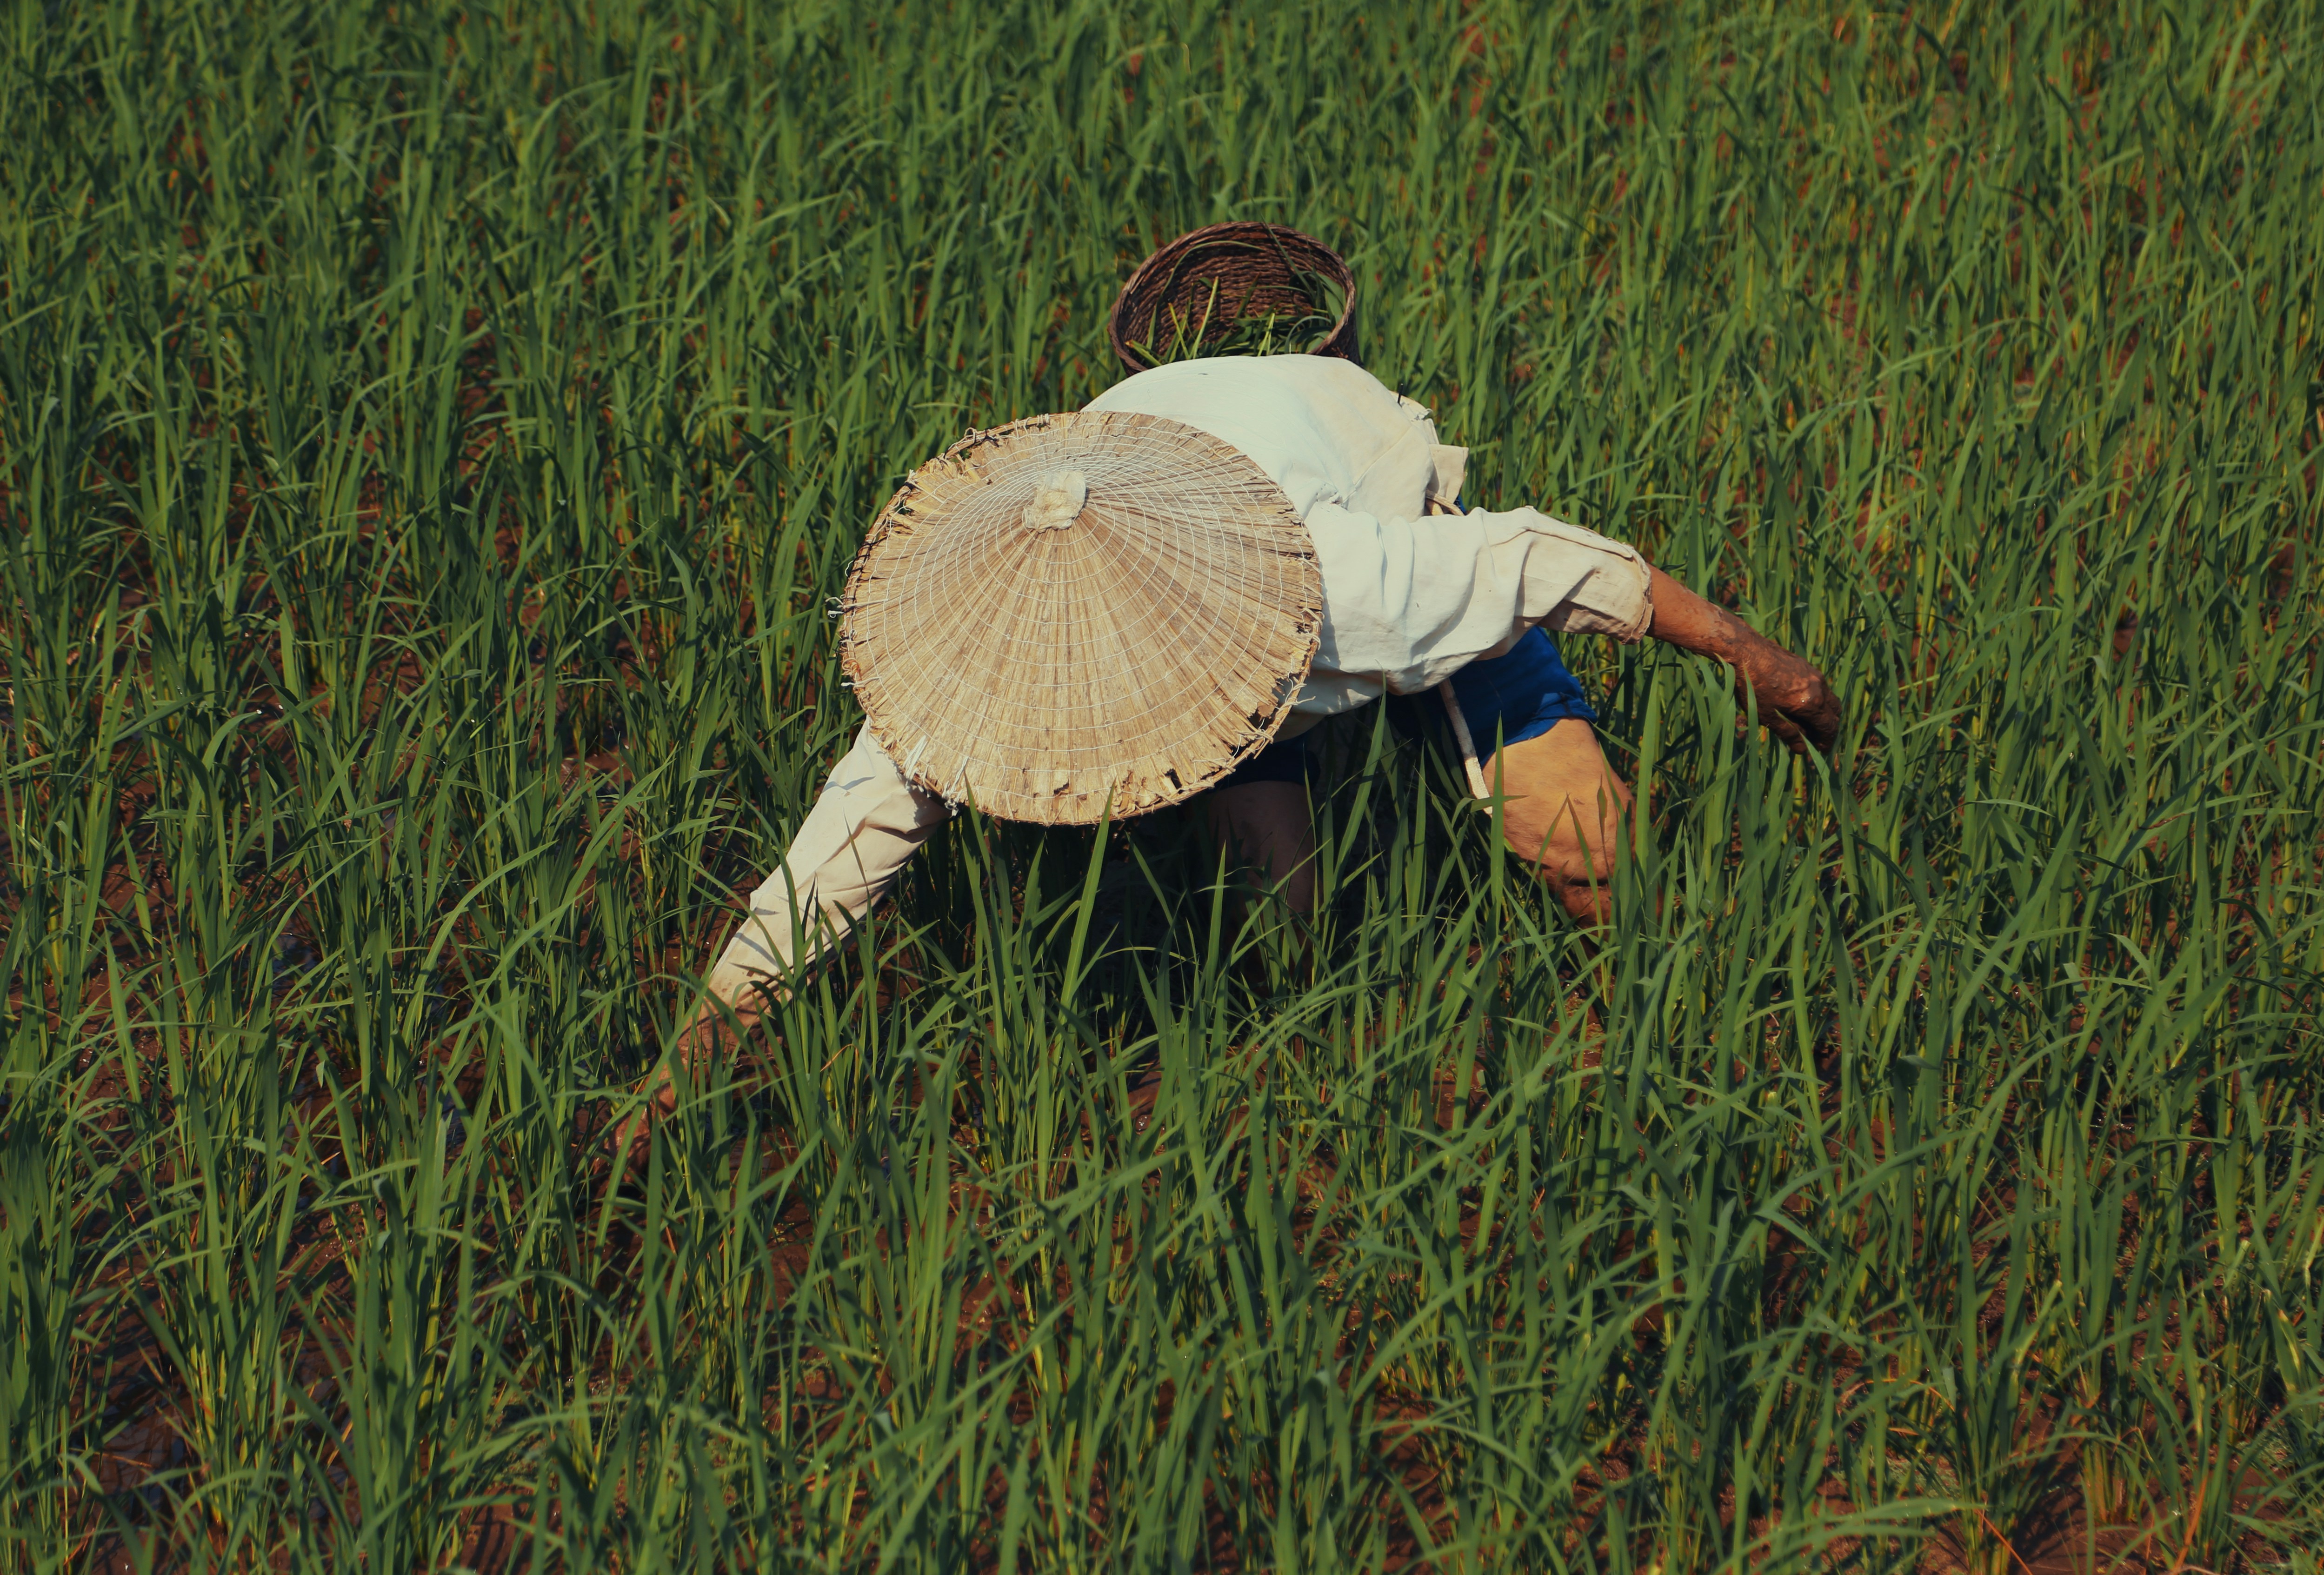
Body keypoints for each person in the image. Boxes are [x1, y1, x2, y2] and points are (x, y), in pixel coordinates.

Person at [606, 318, 1837, 1165]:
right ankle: (1322, 1058)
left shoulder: (1344, 580)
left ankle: (1698, 1059)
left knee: (1576, 844)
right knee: (1276, 912)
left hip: (1332, 473)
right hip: (1129, 468)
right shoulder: (967, 674)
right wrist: (688, 1062)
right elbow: (824, 873)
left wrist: (1757, 660)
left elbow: (1541, 561)